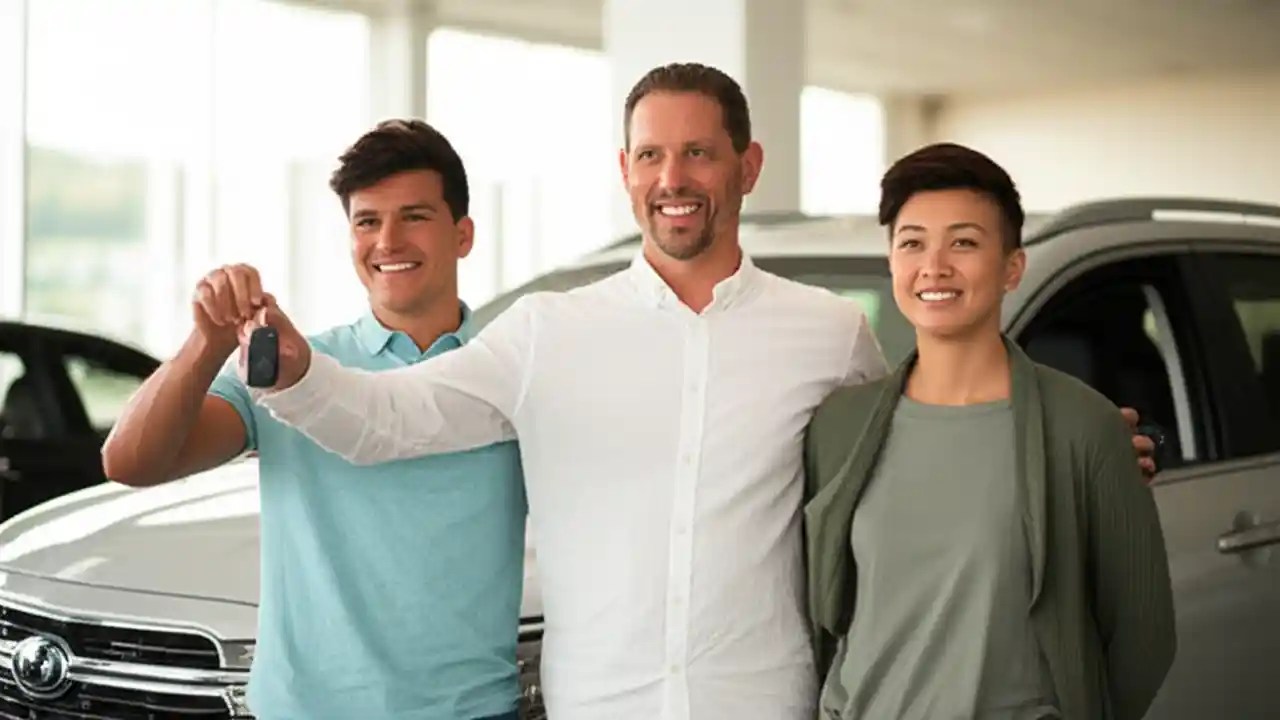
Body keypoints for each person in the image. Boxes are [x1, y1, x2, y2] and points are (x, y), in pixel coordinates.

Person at [238, 64, 1156, 720]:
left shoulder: (827, 332)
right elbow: (385, 423)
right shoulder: (545, 333)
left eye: (698, 155)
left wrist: (1066, 448)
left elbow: (914, 450)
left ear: (746, 168)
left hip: (766, 702)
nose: (672, 180)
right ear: (627, 171)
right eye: (650, 157)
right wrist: (286, 363)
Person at [101, 119, 527, 720]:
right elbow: (129, 462)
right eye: (367, 221)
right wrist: (208, 343)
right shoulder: (288, 366)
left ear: (463, 234)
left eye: (415, 216)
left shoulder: (513, 374)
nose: (388, 241)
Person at [803, 143, 1176, 720]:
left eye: (964, 242)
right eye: (912, 242)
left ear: (1011, 268)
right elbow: (823, 616)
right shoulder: (839, 425)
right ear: (892, 260)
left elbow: (1144, 636)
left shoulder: (1083, 426)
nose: (934, 265)